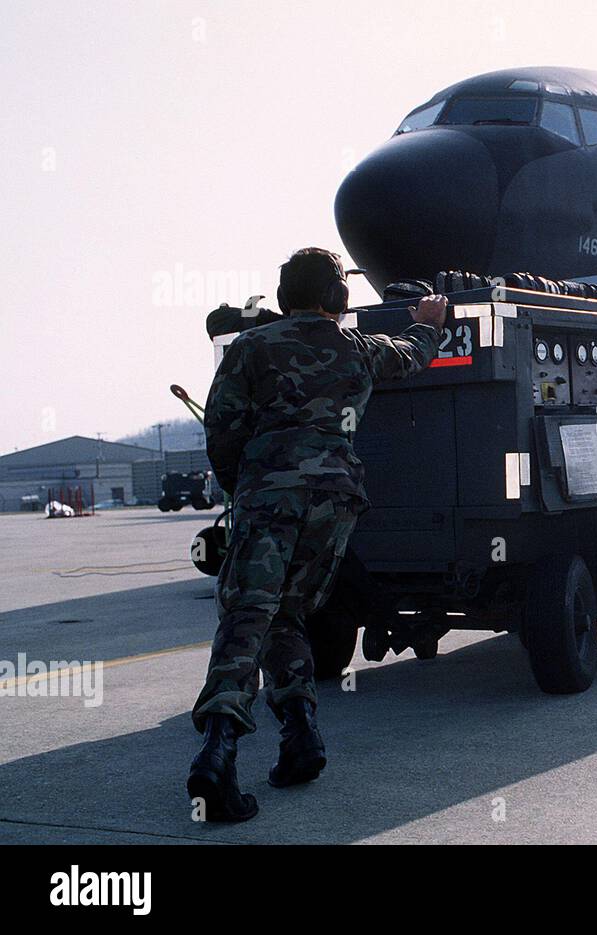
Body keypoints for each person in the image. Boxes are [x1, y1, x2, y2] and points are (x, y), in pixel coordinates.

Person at [187, 247, 446, 822]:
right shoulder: (356, 348)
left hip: (268, 495)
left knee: (246, 614)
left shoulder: (251, 348)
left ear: (283, 296)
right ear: (337, 297)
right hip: (335, 502)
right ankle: (301, 736)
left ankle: (217, 756)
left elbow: (222, 430)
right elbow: (411, 357)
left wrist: (247, 486)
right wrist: (428, 325)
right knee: (285, 614)